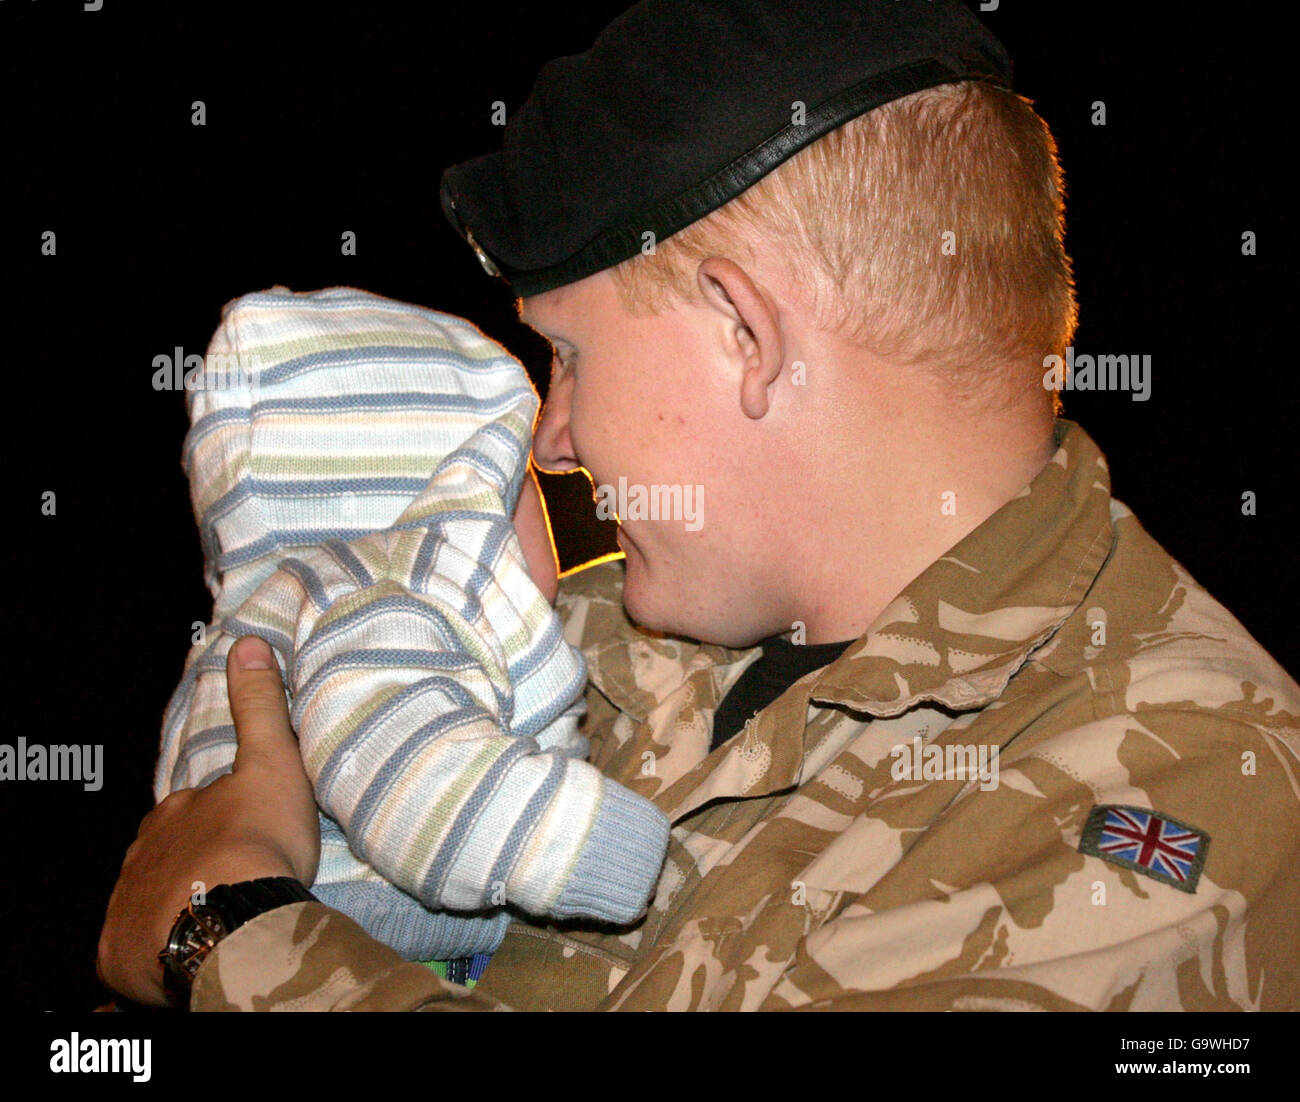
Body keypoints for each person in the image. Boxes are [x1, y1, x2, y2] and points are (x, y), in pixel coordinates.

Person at [98, 0, 1300, 1011]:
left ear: (743, 332)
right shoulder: (575, 635)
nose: (552, 435)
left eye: (569, 356)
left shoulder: (1188, 777)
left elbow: (220, 892)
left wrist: (230, 938)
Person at [152, 284, 669, 980]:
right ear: (458, 500)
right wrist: (591, 845)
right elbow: (410, 772)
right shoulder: (390, 597)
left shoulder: (280, 618)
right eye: (515, 482)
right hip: (390, 945)